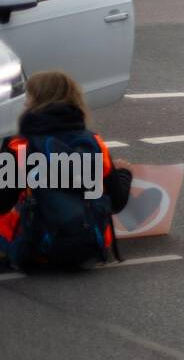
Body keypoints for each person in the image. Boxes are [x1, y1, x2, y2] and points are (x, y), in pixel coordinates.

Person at [0, 71, 133, 270]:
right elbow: (117, 203)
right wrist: (124, 174)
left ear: (32, 102)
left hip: (34, 252)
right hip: (89, 248)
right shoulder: (93, 144)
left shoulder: (19, 146)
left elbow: (2, 203)